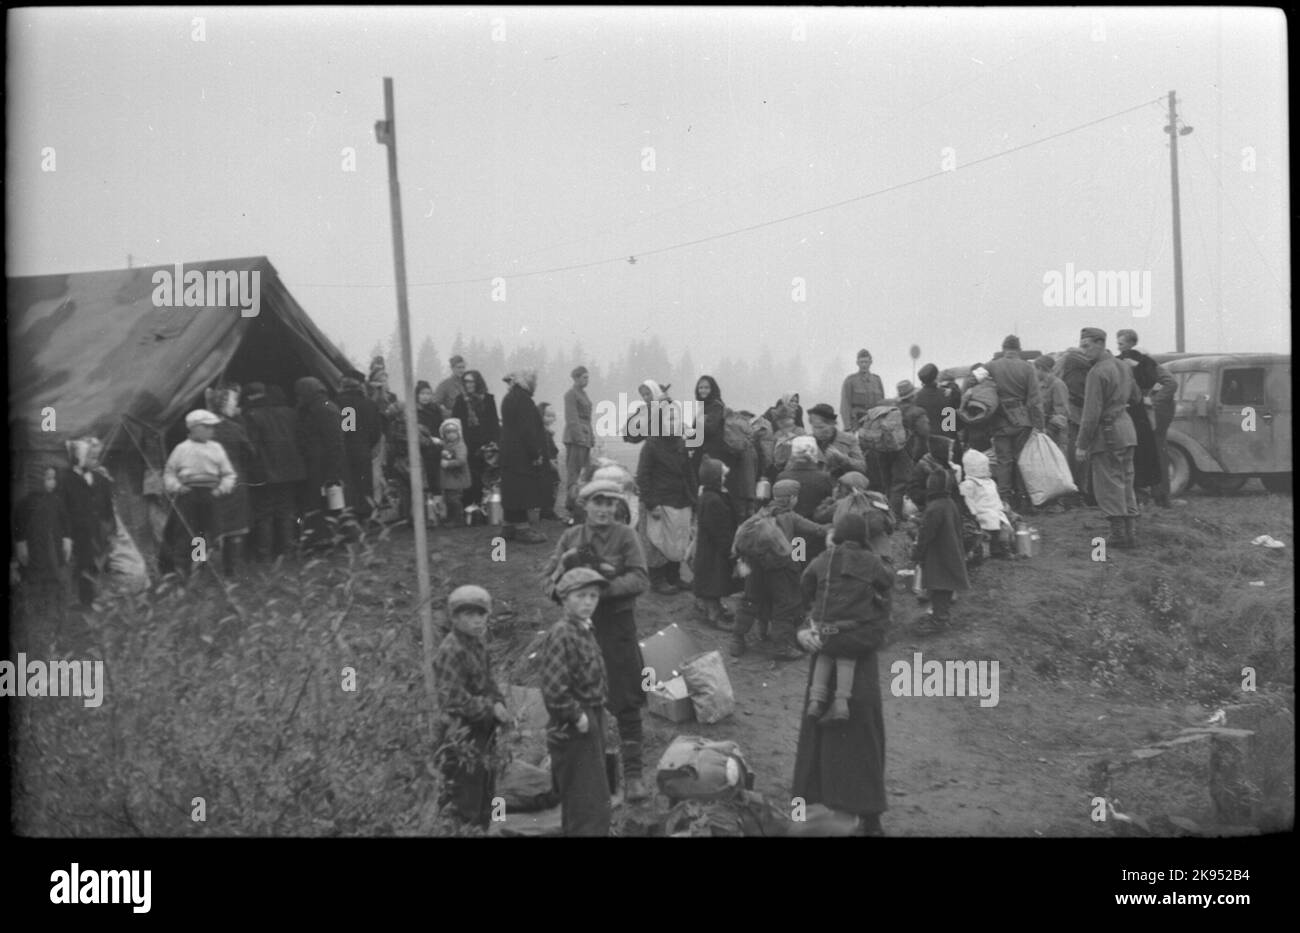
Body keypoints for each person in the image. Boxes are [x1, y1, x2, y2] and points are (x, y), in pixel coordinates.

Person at [541, 479, 651, 802]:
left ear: (618, 507)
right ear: (584, 505)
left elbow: (641, 578)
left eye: (610, 503)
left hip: (616, 627)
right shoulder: (570, 538)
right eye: (597, 502)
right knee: (579, 698)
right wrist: (562, 587)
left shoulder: (627, 536)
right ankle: (584, 770)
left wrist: (600, 588)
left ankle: (633, 775)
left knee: (626, 699)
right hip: (578, 629)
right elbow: (549, 577)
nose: (604, 509)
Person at [791, 517, 891, 837]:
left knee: (854, 730)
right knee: (848, 734)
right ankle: (822, 812)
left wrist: (818, 632)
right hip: (848, 653)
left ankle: (868, 816)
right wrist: (802, 631)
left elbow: (881, 627)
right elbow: (801, 605)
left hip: (837, 652)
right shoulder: (876, 565)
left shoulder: (822, 562)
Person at [539, 567, 613, 836]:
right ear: (564, 598)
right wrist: (576, 716)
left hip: (592, 715)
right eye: (581, 596)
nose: (588, 602)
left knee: (593, 794)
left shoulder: (585, 629)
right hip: (574, 724)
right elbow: (554, 689)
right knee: (586, 799)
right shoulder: (562, 633)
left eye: (593, 596)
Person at [802, 512, 893, 723]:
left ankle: (816, 700)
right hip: (853, 630)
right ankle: (841, 703)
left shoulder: (825, 558)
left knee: (825, 656)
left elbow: (806, 580)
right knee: (846, 658)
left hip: (823, 629)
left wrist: (814, 601)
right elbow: (887, 581)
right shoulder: (871, 561)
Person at [432, 584, 511, 829]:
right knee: (464, 799)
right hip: (459, 734)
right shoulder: (451, 649)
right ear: (454, 618)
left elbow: (489, 681)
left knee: (486, 793)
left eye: (481, 614)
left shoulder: (478, 644)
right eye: (469, 615)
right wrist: (490, 708)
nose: (477, 621)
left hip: (482, 732)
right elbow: (453, 698)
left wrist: (499, 702)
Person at [729, 478, 830, 661]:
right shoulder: (789, 516)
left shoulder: (762, 512)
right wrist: (837, 526)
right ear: (790, 498)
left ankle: (737, 639)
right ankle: (782, 646)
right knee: (784, 605)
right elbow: (817, 530)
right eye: (796, 496)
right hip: (780, 568)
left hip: (755, 567)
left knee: (750, 601)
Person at [1076, 327, 1142, 548]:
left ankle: (1119, 535)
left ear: (1100, 343)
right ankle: (1130, 532)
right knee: (1126, 480)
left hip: (1108, 434)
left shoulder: (1097, 372)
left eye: (1086, 346)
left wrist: (1082, 444)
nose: (1083, 351)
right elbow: (1137, 396)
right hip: (1127, 430)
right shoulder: (1123, 366)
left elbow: (1090, 413)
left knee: (1109, 483)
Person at [162, 410, 236, 577]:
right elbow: (169, 473)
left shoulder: (216, 448)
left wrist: (220, 489)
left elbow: (228, 474)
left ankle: (200, 568)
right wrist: (177, 487)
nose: (211, 431)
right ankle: (183, 570)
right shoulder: (181, 449)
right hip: (188, 494)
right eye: (206, 427)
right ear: (194, 428)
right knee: (186, 531)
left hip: (209, 495)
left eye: (212, 427)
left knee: (206, 533)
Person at [636, 403, 696, 595]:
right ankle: (657, 579)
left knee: (678, 540)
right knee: (658, 542)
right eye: (668, 417)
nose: (672, 421)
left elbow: (688, 472)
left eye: (675, 417)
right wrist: (651, 502)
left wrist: (693, 498)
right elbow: (643, 475)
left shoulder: (680, 442)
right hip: (660, 500)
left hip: (680, 498)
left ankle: (674, 576)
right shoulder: (651, 445)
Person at [242, 384, 307, 560]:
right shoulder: (290, 412)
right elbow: (301, 439)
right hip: (291, 472)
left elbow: (251, 448)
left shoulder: (251, 416)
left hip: (265, 474)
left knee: (264, 514)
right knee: (286, 511)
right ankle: (287, 550)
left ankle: (264, 554)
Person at [984, 335, 1045, 509]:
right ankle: (1024, 499)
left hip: (1000, 420)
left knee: (1003, 461)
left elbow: (970, 380)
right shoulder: (1028, 368)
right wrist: (1040, 425)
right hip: (1023, 420)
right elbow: (1035, 400)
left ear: (1003, 349)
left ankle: (1005, 500)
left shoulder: (991, 366)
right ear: (1019, 349)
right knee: (1022, 460)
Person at [911, 470, 970, 635]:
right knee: (944, 587)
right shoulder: (950, 503)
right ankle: (941, 617)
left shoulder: (935, 508)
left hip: (939, 554)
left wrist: (917, 553)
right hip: (952, 550)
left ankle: (939, 620)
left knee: (939, 586)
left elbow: (925, 535)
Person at [59, 437, 117, 605]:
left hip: (99, 530)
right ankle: (86, 602)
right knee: (84, 564)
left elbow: (108, 509)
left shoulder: (101, 479)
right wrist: (66, 535)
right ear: (78, 459)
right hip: (79, 533)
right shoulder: (66, 481)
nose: (96, 461)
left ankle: (104, 598)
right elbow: (63, 511)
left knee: (103, 562)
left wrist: (112, 531)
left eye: (97, 457)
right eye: (91, 458)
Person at [206, 385, 255, 576]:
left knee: (205, 526)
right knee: (235, 527)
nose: (236, 404)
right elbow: (250, 453)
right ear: (224, 404)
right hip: (234, 480)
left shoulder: (201, 429)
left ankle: (200, 566)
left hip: (207, 481)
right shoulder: (234, 428)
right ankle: (231, 571)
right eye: (233, 401)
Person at [14, 466, 72, 625]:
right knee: (35, 586)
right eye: (48, 479)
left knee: (53, 584)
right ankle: (31, 632)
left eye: (53, 478)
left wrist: (66, 540)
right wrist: (21, 544)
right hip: (34, 552)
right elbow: (19, 525)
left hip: (52, 551)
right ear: (36, 481)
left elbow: (65, 521)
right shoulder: (25, 503)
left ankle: (53, 625)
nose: (52, 483)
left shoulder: (56, 501)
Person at [294, 376, 347, 550]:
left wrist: (333, 472)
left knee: (325, 503)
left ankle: (327, 540)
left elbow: (335, 442)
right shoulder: (322, 407)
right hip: (322, 463)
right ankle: (327, 539)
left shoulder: (322, 409)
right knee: (325, 503)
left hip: (323, 465)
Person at [499, 369, 550, 543]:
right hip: (521, 455)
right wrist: (535, 453)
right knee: (521, 490)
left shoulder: (508, 398)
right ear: (525, 382)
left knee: (511, 489)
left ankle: (507, 526)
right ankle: (522, 529)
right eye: (533, 381)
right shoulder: (524, 401)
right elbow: (528, 431)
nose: (535, 385)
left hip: (508, 452)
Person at [1115, 330, 1165, 503]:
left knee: (1139, 450)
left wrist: (1136, 367)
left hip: (1133, 411)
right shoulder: (1144, 361)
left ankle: (1141, 491)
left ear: (1130, 343)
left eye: (1120, 343)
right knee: (1143, 450)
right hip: (1137, 411)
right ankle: (1143, 491)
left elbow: (1152, 381)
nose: (1118, 347)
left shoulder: (1135, 362)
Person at [692, 457, 737, 629]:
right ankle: (714, 615)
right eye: (722, 476)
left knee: (714, 583)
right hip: (714, 551)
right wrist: (728, 548)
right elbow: (719, 529)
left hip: (711, 548)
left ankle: (715, 606)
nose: (725, 479)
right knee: (713, 582)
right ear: (715, 479)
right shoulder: (713, 500)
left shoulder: (710, 495)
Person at [452, 370, 500, 515]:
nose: (468, 384)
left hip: (485, 443)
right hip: (467, 443)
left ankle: (485, 507)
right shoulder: (461, 400)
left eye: (471, 381)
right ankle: (469, 506)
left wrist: (494, 442)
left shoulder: (488, 399)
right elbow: (456, 422)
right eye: (465, 381)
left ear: (478, 382)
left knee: (486, 475)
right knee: (470, 475)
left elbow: (493, 421)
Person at [338, 370, 383, 521]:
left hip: (344, 451)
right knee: (364, 487)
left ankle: (348, 518)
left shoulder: (338, 402)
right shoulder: (370, 404)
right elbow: (376, 432)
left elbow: (345, 429)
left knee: (347, 487)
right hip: (363, 451)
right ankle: (364, 518)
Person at [1054, 346, 1094, 504]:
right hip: (1080, 414)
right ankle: (1081, 492)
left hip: (1069, 414)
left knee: (1070, 454)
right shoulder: (1081, 364)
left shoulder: (1065, 362)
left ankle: (1073, 493)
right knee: (1082, 454)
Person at [957, 448, 1014, 557]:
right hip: (982, 513)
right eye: (983, 466)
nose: (986, 468)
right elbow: (967, 500)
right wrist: (973, 513)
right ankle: (987, 550)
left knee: (1004, 530)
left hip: (996, 511)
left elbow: (994, 496)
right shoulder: (969, 484)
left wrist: (1001, 506)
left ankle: (1003, 549)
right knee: (986, 535)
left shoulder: (990, 482)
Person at [777, 436, 834, 520]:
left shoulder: (782, 477)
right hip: (819, 526)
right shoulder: (825, 478)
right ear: (815, 453)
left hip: (789, 527)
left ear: (793, 453)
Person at [563, 366, 594, 518]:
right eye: (584, 377)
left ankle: (580, 504)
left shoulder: (584, 394)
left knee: (585, 472)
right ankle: (571, 506)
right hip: (576, 439)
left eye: (587, 377)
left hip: (586, 437)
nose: (586, 380)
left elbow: (588, 419)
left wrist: (591, 437)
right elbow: (571, 418)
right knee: (574, 472)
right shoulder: (570, 395)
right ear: (575, 378)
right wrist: (579, 437)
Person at [691, 375, 733, 484]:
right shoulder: (704, 406)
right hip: (704, 451)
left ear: (712, 389)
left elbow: (710, 429)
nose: (703, 390)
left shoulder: (716, 406)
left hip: (712, 454)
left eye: (706, 387)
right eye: (700, 388)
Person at [806, 403, 866, 479]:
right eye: (814, 427)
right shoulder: (806, 441)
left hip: (840, 485)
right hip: (814, 485)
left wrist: (842, 458)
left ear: (832, 424)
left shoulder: (849, 439)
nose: (817, 431)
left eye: (821, 427)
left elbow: (862, 467)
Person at [414, 380, 445, 520]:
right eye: (422, 393)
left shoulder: (436, 409)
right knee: (428, 479)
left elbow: (441, 426)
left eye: (428, 393)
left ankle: (438, 509)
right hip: (422, 448)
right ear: (417, 395)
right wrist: (430, 440)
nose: (425, 396)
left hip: (437, 446)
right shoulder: (414, 410)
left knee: (437, 478)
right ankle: (428, 512)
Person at [840, 348, 886, 433]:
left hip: (874, 424)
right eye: (861, 362)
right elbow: (845, 406)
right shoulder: (850, 381)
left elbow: (882, 403)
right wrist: (848, 427)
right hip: (857, 424)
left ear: (870, 362)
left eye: (866, 362)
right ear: (857, 363)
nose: (864, 365)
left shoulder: (877, 380)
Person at [1033, 356, 1070, 457]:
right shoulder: (1040, 385)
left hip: (1055, 436)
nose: (1034, 373)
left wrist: (1047, 428)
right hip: (1044, 433)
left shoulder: (1057, 385)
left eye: (1035, 369)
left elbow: (1061, 415)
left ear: (1040, 368)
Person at [915, 364, 960, 441]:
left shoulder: (917, 397)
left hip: (929, 442)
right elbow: (957, 411)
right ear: (936, 376)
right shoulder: (947, 393)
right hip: (949, 439)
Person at [439, 418, 470, 526]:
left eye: (453, 431)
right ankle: (451, 517)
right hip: (450, 477)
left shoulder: (460, 445)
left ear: (458, 432)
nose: (451, 434)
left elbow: (461, 460)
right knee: (449, 498)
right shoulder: (447, 445)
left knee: (454, 498)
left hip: (457, 476)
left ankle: (458, 519)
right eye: (448, 432)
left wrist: (448, 464)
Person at [538, 402, 563, 521]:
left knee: (554, 483)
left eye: (552, 415)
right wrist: (550, 461)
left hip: (551, 461)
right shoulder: (543, 433)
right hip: (548, 463)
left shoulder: (548, 432)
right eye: (547, 415)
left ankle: (547, 510)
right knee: (551, 484)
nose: (551, 418)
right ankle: (547, 510)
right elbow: (544, 449)